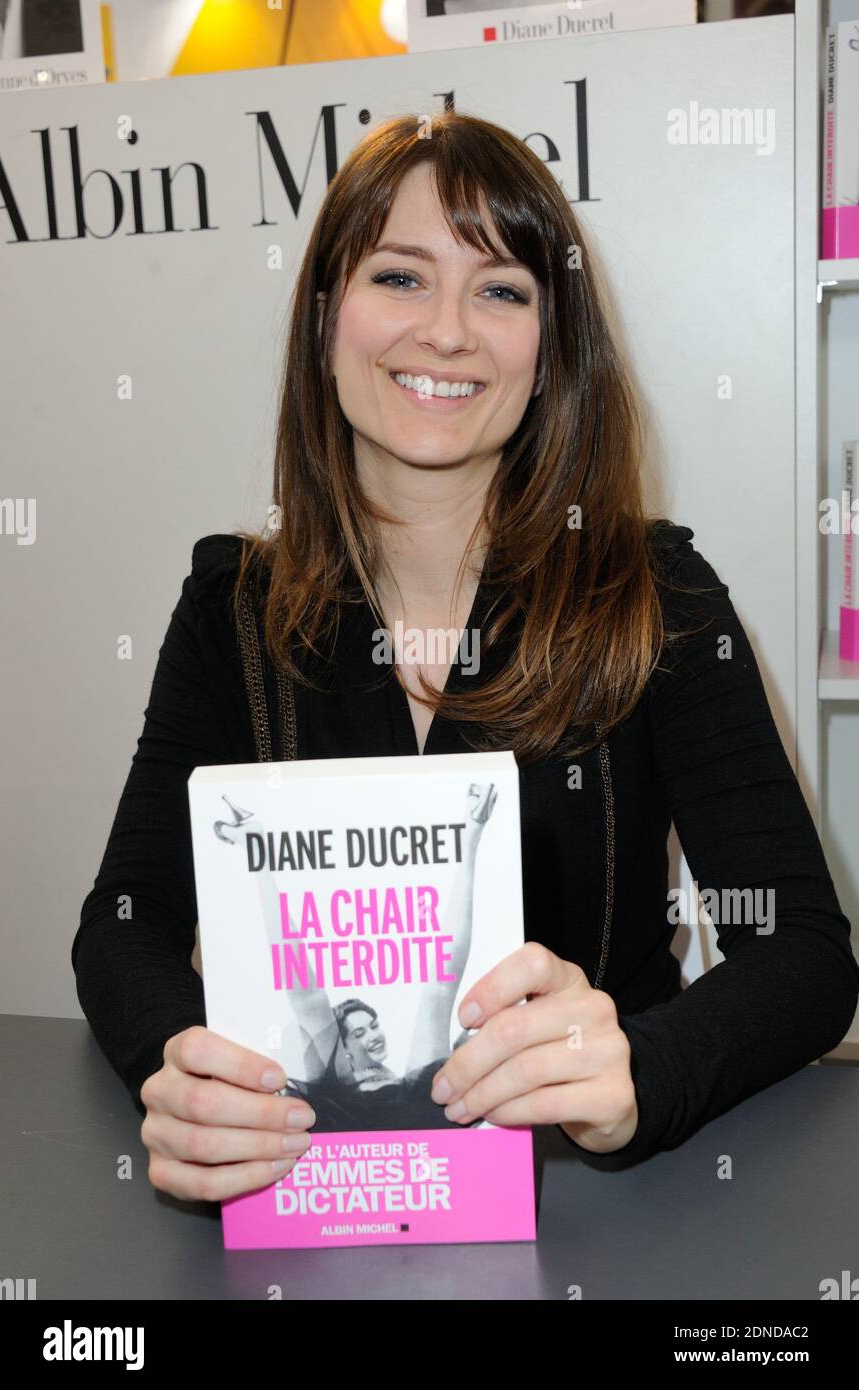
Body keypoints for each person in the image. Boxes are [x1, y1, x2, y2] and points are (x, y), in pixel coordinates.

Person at [73, 110, 858, 1206]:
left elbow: (806, 955)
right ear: (322, 322)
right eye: (399, 276)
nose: (445, 330)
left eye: (499, 290)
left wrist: (638, 1072)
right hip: (307, 1190)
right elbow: (125, 919)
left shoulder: (653, 595)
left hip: (602, 1203)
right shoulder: (230, 610)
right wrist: (177, 1066)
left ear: (548, 355)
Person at [211, 783, 497, 1132]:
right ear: (341, 1048)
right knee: (313, 997)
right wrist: (259, 860)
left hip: (422, 1128)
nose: (373, 1035)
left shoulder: (420, 1088)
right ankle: (255, 846)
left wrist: (472, 834)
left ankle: (470, 837)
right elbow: (306, 993)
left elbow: (440, 985)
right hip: (345, 1122)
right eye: (359, 1032)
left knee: (438, 992)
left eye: (373, 1026)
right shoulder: (337, 1083)